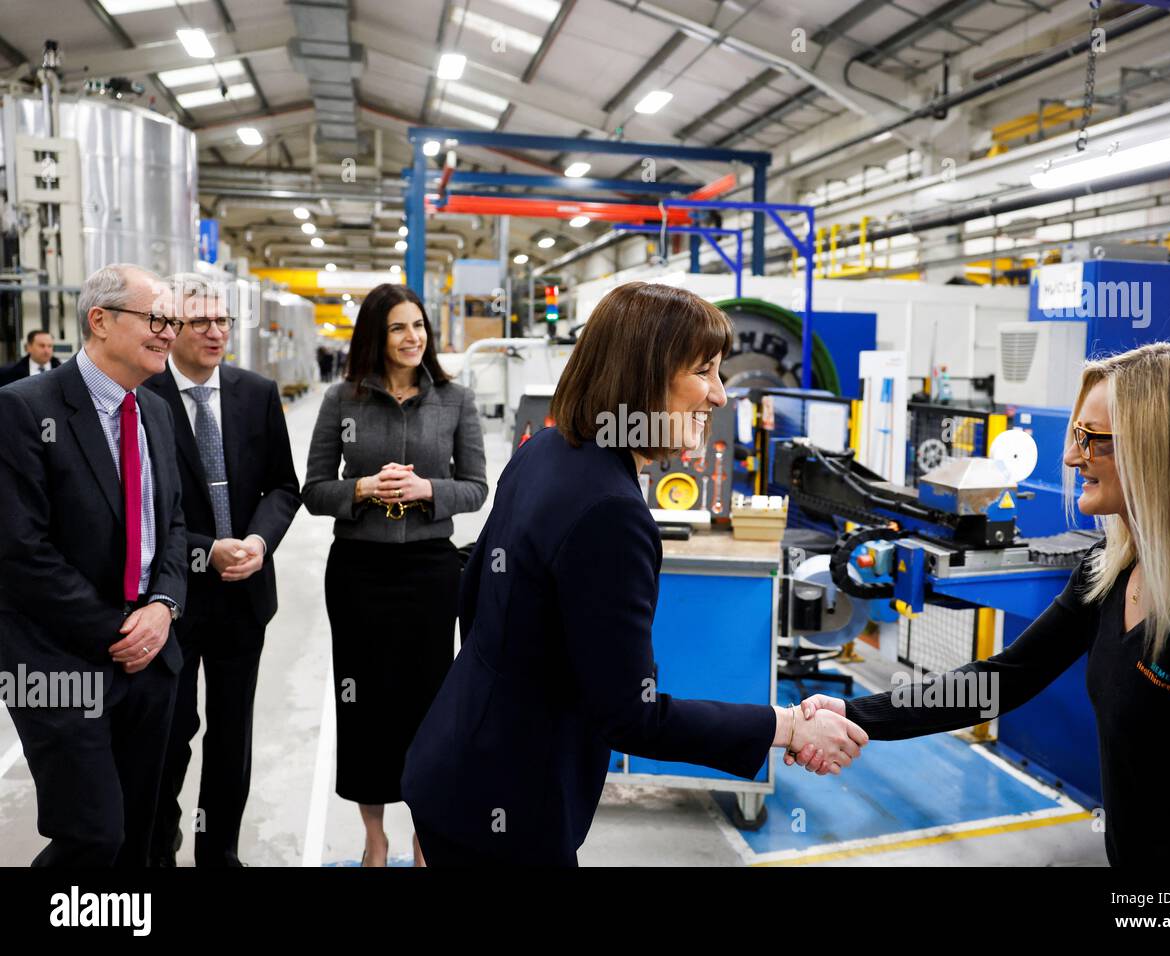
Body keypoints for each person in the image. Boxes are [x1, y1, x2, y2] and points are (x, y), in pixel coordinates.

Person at [401, 281, 869, 867]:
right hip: (511, 807)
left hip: (455, 769)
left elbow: (476, 602)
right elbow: (631, 715)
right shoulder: (611, 512)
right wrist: (788, 727)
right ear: (642, 379)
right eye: (704, 372)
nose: (720, 397)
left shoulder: (545, 450)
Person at [788, 342, 1170, 866]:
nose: (1072, 456)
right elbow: (1004, 679)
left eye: (1093, 439)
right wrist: (853, 715)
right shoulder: (1110, 572)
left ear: (1166, 451)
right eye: (1077, 435)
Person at [0, 264, 188, 866]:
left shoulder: (155, 410)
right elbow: (20, 553)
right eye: (156, 319)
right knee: (90, 836)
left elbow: (174, 526)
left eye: (172, 321)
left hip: (150, 658)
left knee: (140, 831)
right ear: (100, 321)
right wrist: (118, 629)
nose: (168, 333)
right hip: (60, 661)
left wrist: (163, 607)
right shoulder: (24, 410)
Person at [302, 283, 488, 867]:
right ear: (376, 337)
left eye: (419, 326)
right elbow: (312, 490)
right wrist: (360, 488)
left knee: (430, 704)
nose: (414, 338)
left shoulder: (455, 399)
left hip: (430, 571)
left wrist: (428, 489)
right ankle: (374, 836)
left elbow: (478, 487)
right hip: (359, 571)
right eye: (399, 328)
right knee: (364, 706)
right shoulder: (342, 400)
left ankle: (423, 827)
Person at [142, 273, 301, 867]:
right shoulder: (146, 394)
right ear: (171, 329)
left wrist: (259, 541)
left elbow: (283, 485)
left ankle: (220, 853)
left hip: (244, 594)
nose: (216, 332)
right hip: (171, 598)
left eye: (224, 321)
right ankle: (158, 847)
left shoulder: (254, 392)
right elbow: (146, 508)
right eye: (201, 322)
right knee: (170, 731)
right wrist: (207, 549)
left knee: (232, 734)